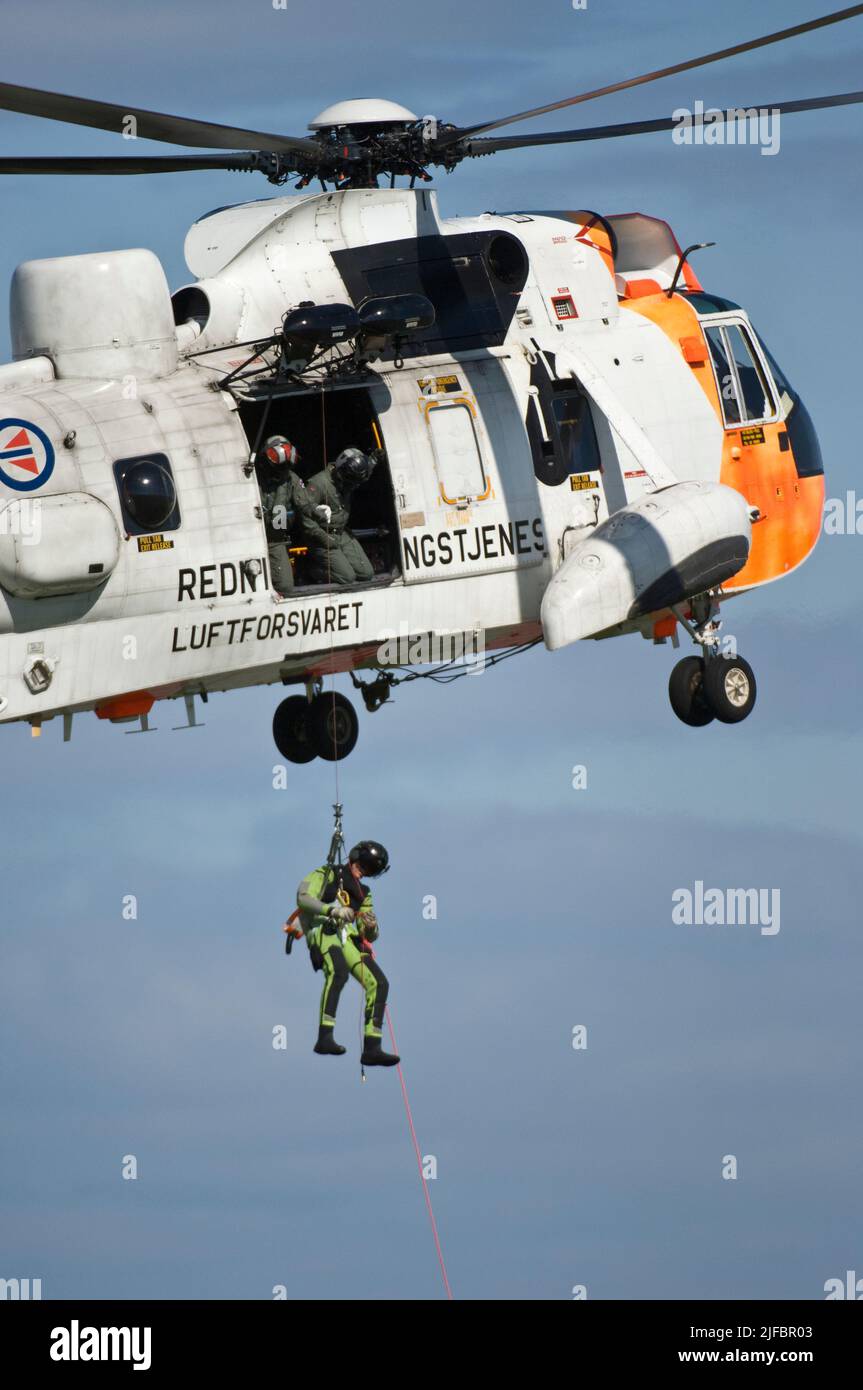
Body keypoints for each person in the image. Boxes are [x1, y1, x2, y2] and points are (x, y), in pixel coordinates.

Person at [296, 840, 400, 1067]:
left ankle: (372, 1047)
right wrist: (332, 909)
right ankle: (325, 1036)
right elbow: (303, 898)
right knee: (338, 972)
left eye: (370, 872)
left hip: (349, 938)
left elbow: (368, 933)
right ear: (353, 859)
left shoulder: (365, 894)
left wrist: (370, 927)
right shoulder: (326, 873)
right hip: (326, 929)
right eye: (363, 867)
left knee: (380, 983)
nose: (363, 875)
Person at [301, 447, 378, 585]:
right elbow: (304, 517)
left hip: (341, 534)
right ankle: (310, 570)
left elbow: (363, 475)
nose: (353, 486)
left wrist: (373, 460)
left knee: (367, 573)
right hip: (322, 537)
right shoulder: (318, 484)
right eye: (351, 481)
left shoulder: (350, 478)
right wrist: (323, 538)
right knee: (347, 577)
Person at [255, 435, 310, 596]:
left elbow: (305, 502)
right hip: (254, 538)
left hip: (276, 541)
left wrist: (318, 508)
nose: (281, 472)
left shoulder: (291, 479)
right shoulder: (253, 477)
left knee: (285, 586)